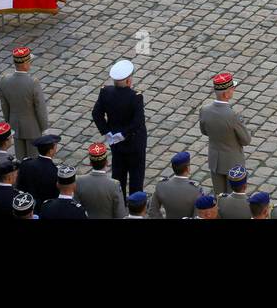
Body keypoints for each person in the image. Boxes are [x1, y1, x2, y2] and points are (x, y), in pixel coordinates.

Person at [91, 59, 147, 195]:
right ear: (128, 81)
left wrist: (107, 132)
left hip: (115, 144)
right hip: (134, 144)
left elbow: (96, 113)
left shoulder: (105, 92)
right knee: (136, 176)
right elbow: (138, 121)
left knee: (118, 174)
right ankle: (135, 205)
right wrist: (123, 134)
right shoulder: (135, 97)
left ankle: (119, 204)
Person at [198, 71, 252, 194]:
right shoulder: (232, 115)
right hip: (233, 163)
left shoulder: (204, 110)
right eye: (232, 88)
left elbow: (204, 131)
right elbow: (246, 140)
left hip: (215, 161)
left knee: (219, 196)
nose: (234, 91)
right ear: (226, 93)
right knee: (233, 197)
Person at [0, 46, 50, 160]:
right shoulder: (33, 83)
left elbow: (4, 106)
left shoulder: (4, 81)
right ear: (25, 64)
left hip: (15, 126)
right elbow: (40, 108)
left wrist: (8, 122)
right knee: (33, 160)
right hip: (32, 128)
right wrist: (45, 128)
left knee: (20, 159)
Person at [75, 142, 126, 218]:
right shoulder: (114, 185)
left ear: (90, 163)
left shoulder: (79, 181)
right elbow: (120, 214)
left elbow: (75, 207)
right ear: (107, 163)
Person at [150, 151, 202, 219]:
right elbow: (197, 215)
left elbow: (153, 210)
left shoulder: (161, 186)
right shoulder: (196, 190)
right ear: (187, 168)